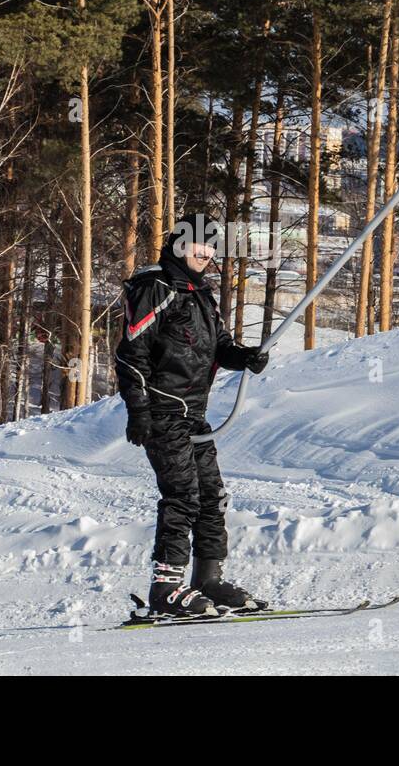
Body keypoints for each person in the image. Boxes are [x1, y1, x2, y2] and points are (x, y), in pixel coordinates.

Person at [115, 212, 269, 617]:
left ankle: (208, 579)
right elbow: (132, 354)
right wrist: (139, 411)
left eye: (212, 246)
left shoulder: (200, 294)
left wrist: (244, 357)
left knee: (212, 497)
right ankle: (165, 587)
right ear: (179, 245)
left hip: (193, 415)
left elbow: (221, 347)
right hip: (163, 412)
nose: (206, 252)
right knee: (182, 495)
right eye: (199, 243)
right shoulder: (156, 287)